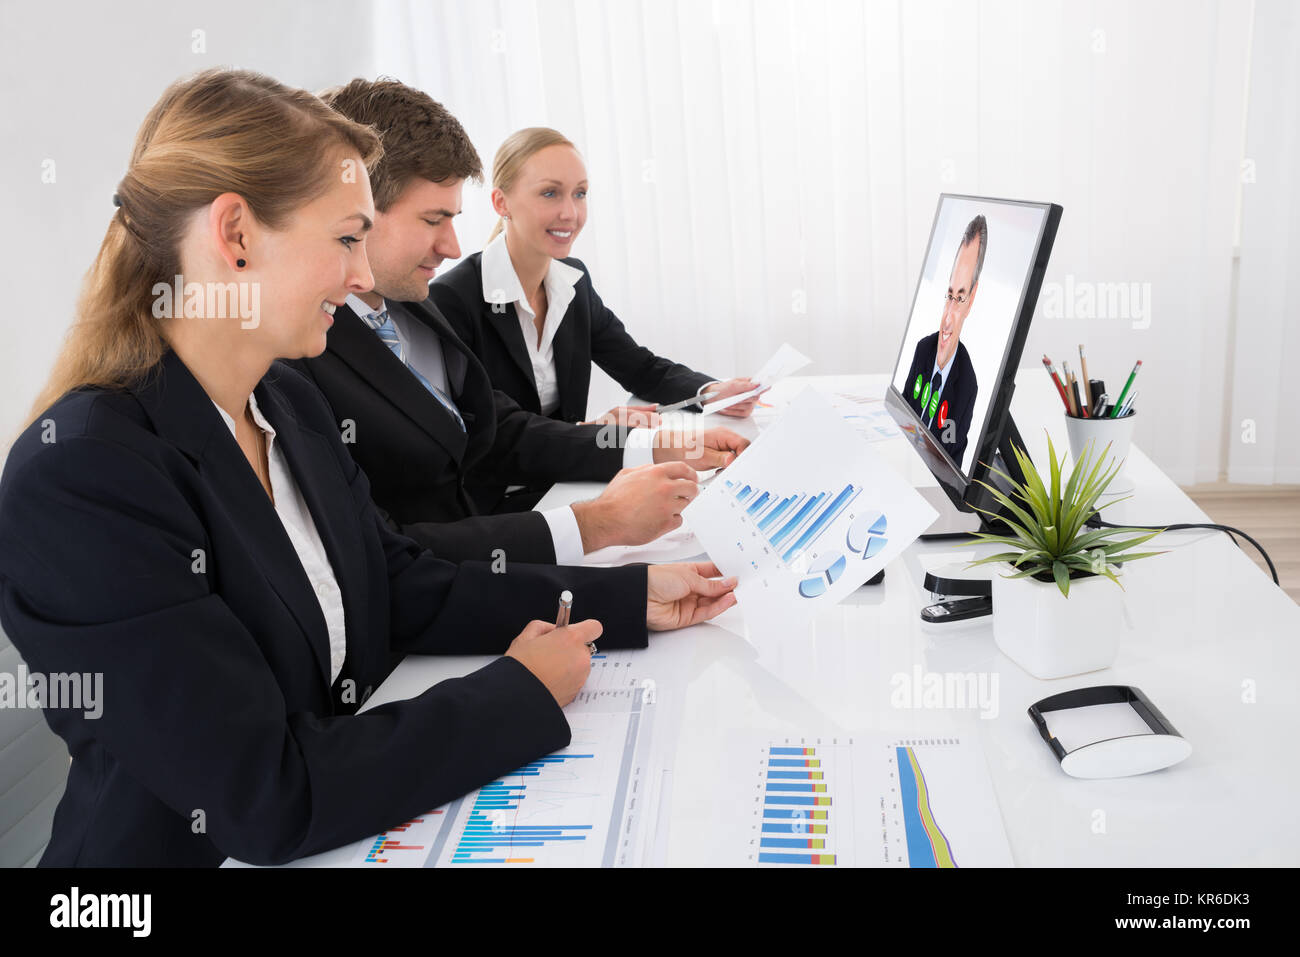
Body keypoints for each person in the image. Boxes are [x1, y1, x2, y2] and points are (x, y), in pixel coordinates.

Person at [0, 69, 737, 868]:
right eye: (347, 238)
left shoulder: (284, 401)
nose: (361, 278)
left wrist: (626, 596)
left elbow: (402, 584)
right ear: (236, 234)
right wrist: (518, 692)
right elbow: (263, 794)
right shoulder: (83, 477)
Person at [307, 80, 749, 550]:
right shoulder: (323, 343)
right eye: (434, 220)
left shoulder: (414, 309)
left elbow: (502, 430)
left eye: (580, 193)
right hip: (495, 538)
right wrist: (593, 523)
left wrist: (652, 441)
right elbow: (385, 542)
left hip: (523, 525)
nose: (452, 246)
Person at [430, 127, 761, 430]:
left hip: (566, 474)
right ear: (501, 202)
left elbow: (639, 367)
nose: (570, 213)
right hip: (501, 491)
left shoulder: (572, 281)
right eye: (550, 193)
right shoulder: (453, 299)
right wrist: (592, 433)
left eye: (580, 193)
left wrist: (709, 392)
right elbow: (489, 431)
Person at [902, 214, 985, 465]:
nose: (947, 318)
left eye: (959, 298)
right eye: (950, 295)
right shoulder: (924, 348)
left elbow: (949, 462)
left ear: (971, 300)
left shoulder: (966, 384)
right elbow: (902, 415)